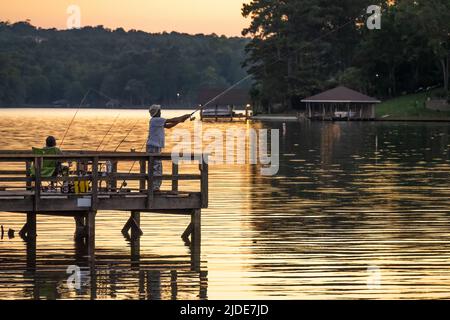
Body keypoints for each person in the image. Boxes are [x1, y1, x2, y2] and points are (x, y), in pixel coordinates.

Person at [147, 105, 190, 191]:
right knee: (156, 167)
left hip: (155, 146)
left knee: (156, 167)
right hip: (154, 147)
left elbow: (169, 126)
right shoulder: (156, 120)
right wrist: (183, 116)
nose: (160, 112)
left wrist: (180, 121)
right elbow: (172, 119)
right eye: (159, 111)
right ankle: (154, 187)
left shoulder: (157, 121)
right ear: (156, 112)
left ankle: (155, 186)